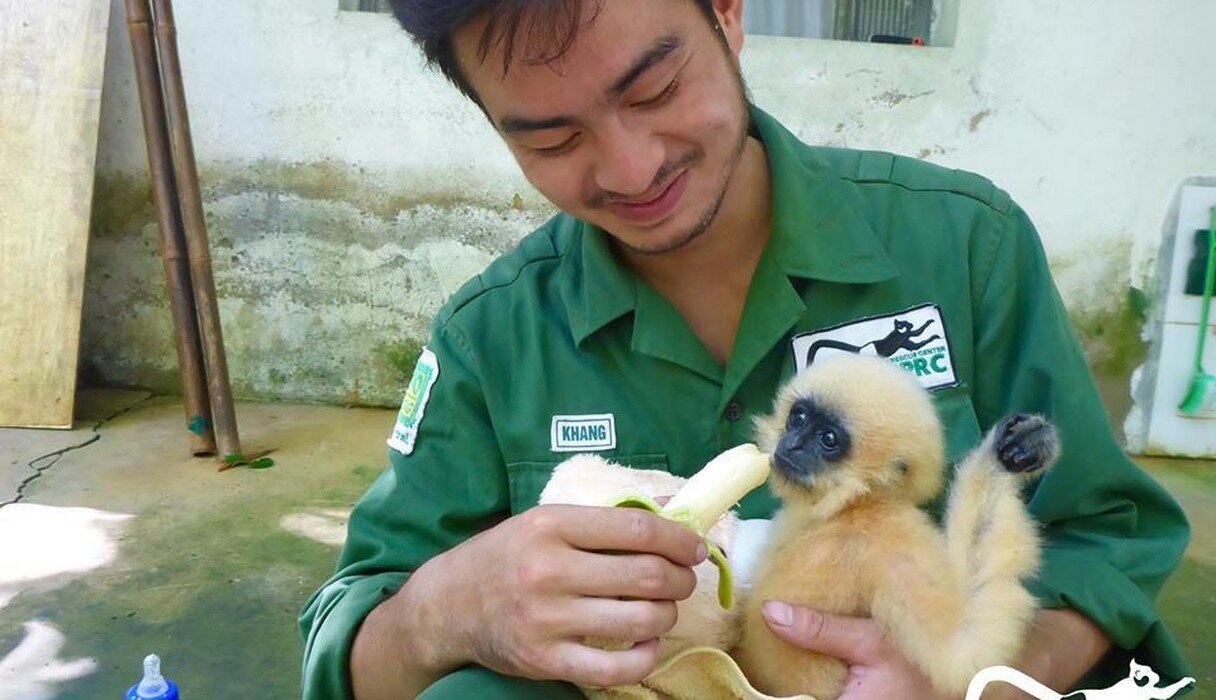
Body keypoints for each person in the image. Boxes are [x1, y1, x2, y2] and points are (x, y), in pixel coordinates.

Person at [299, 1, 1192, 699]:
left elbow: (1107, 538)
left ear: (726, 13)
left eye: (652, 91)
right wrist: (445, 613)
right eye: (552, 138)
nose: (630, 167)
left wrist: (972, 682)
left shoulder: (964, 247)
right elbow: (352, 647)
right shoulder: (488, 338)